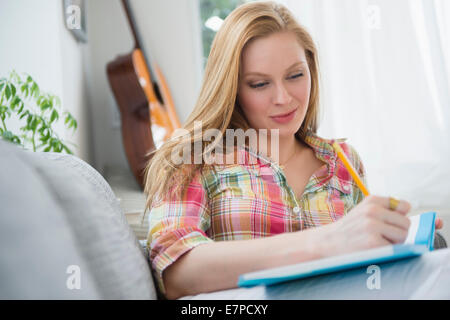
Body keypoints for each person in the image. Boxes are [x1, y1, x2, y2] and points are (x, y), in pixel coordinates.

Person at [143, 1, 444, 300]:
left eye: (295, 75)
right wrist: (329, 240)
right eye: (259, 84)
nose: (283, 97)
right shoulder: (192, 159)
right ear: (232, 88)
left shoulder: (343, 161)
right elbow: (177, 273)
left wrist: (398, 239)